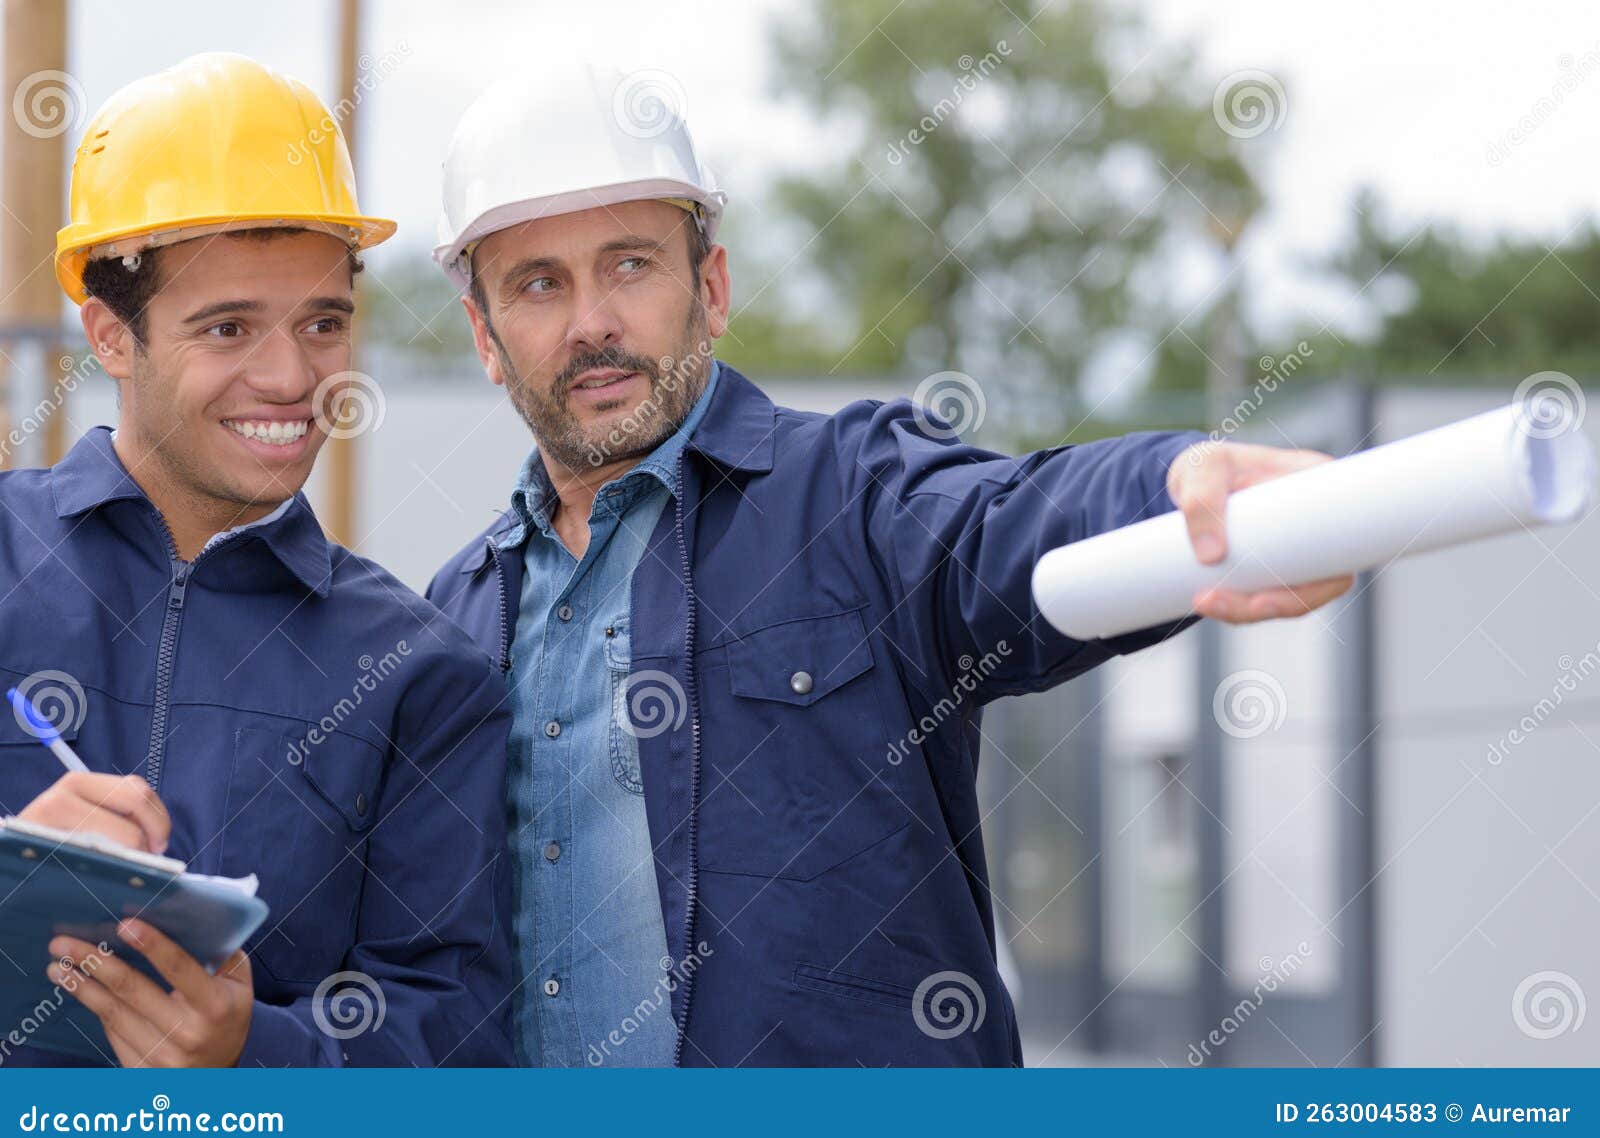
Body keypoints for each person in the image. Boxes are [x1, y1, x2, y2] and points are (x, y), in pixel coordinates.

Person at [425, 63, 1353, 1066]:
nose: (591, 322)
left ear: (713, 287)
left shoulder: (853, 498)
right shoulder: (457, 616)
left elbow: (1010, 522)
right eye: (537, 284)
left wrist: (1177, 484)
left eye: (630, 265)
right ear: (484, 336)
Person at [0, 53, 513, 1067]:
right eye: (227, 327)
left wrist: (258, 1055)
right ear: (110, 334)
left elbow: (458, 1040)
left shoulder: (419, 672)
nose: (290, 378)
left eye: (323, 325)